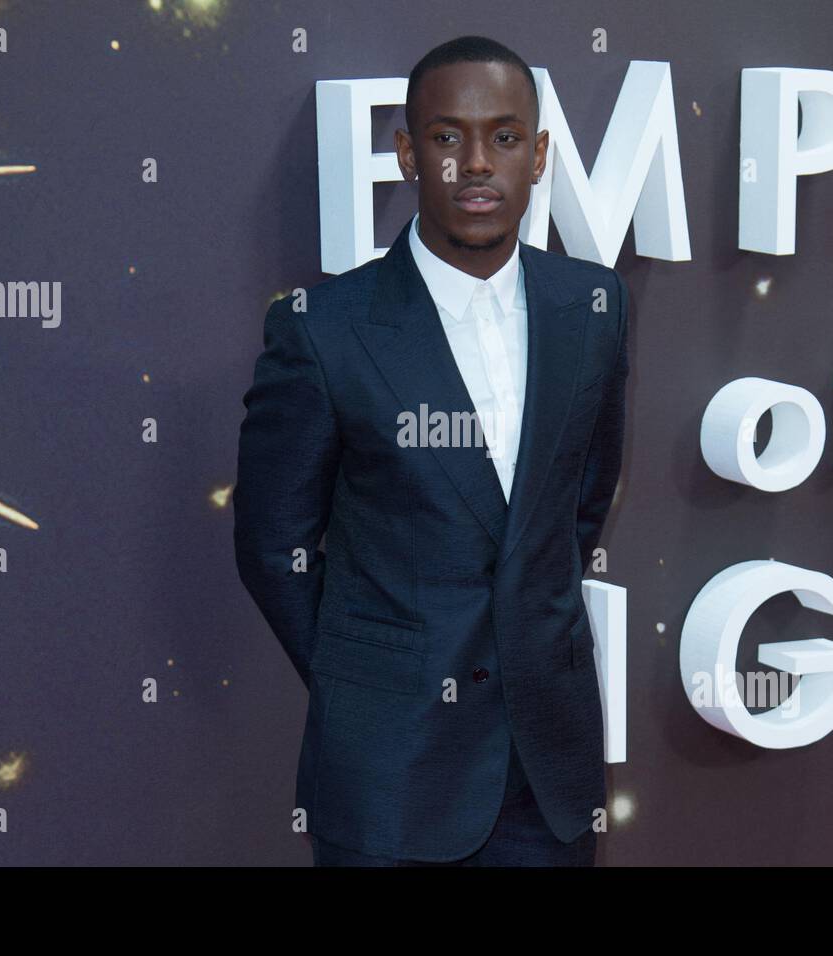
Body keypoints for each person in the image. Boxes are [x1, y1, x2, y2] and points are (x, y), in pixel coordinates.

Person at [234, 35, 630, 866]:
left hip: (546, 776)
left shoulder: (592, 305)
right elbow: (274, 546)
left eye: (505, 136)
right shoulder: (323, 328)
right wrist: (367, 681)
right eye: (448, 137)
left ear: (540, 154)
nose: (477, 163)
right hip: (390, 774)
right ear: (409, 155)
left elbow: (579, 503)